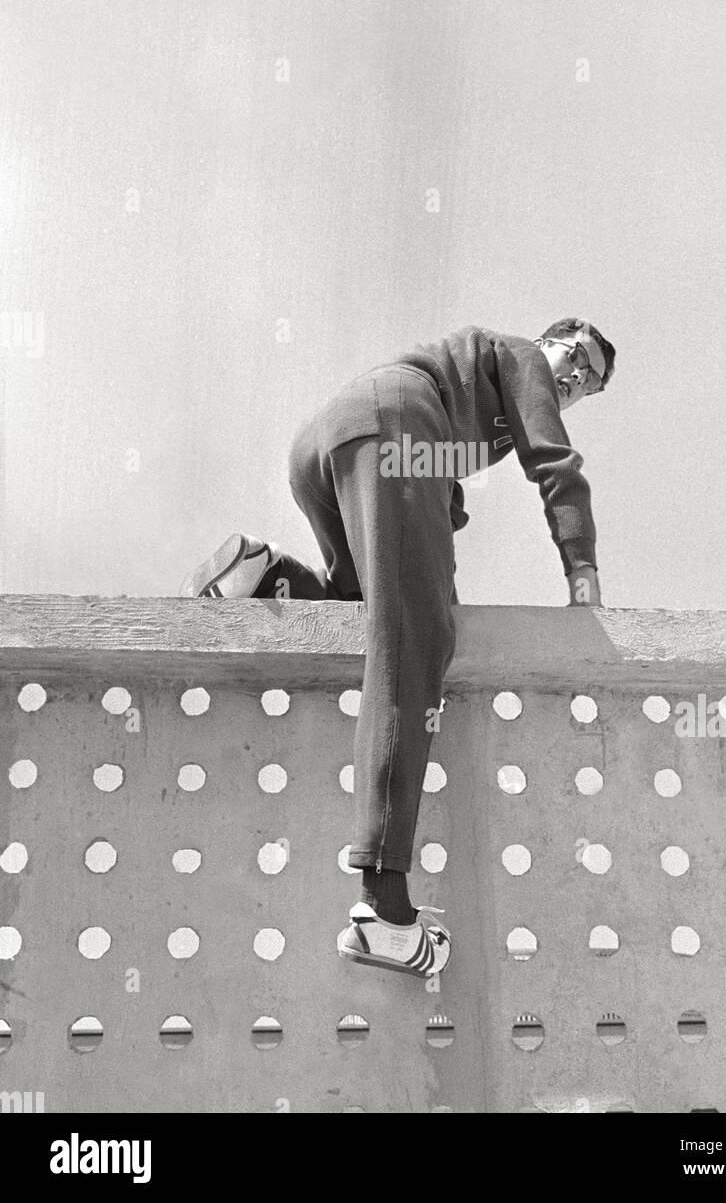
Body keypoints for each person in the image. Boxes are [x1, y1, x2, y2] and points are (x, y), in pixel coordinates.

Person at [179, 319, 616, 979]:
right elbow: (554, 463)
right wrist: (583, 571)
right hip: (396, 424)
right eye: (576, 357)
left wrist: (444, 523)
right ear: (548, 341)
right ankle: (383, 907)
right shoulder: (520, 358)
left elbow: (440, 490)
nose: (576, 378)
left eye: (592, 382)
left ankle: (270, 576)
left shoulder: (477, 406)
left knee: (369, 611)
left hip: (333, 440)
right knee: (417, 640)